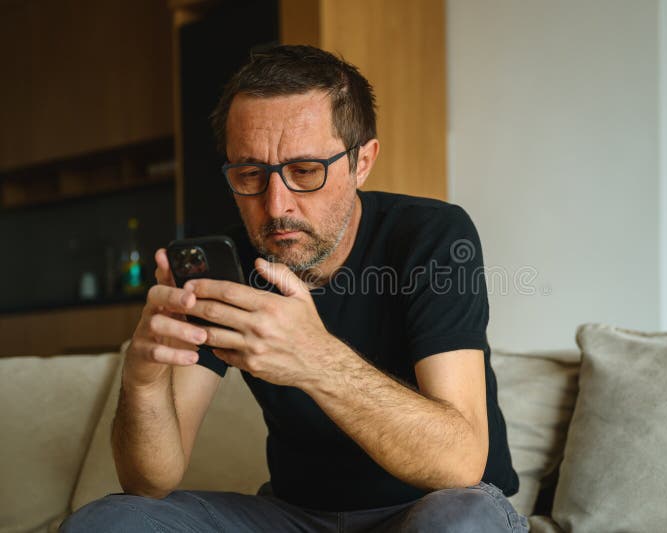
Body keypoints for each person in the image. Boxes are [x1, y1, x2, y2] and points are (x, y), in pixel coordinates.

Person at [61, 44, 527, 532]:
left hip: (432, 508)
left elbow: (458, 464)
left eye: (305, 171)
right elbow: (151, 482)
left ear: (362, 161)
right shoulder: (231, 264)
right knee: (109, 521)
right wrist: (143, 379)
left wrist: (315, 358)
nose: (276, 204)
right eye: (249, 175)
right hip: (295, 517)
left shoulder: (432, 237)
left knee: (460, 522)